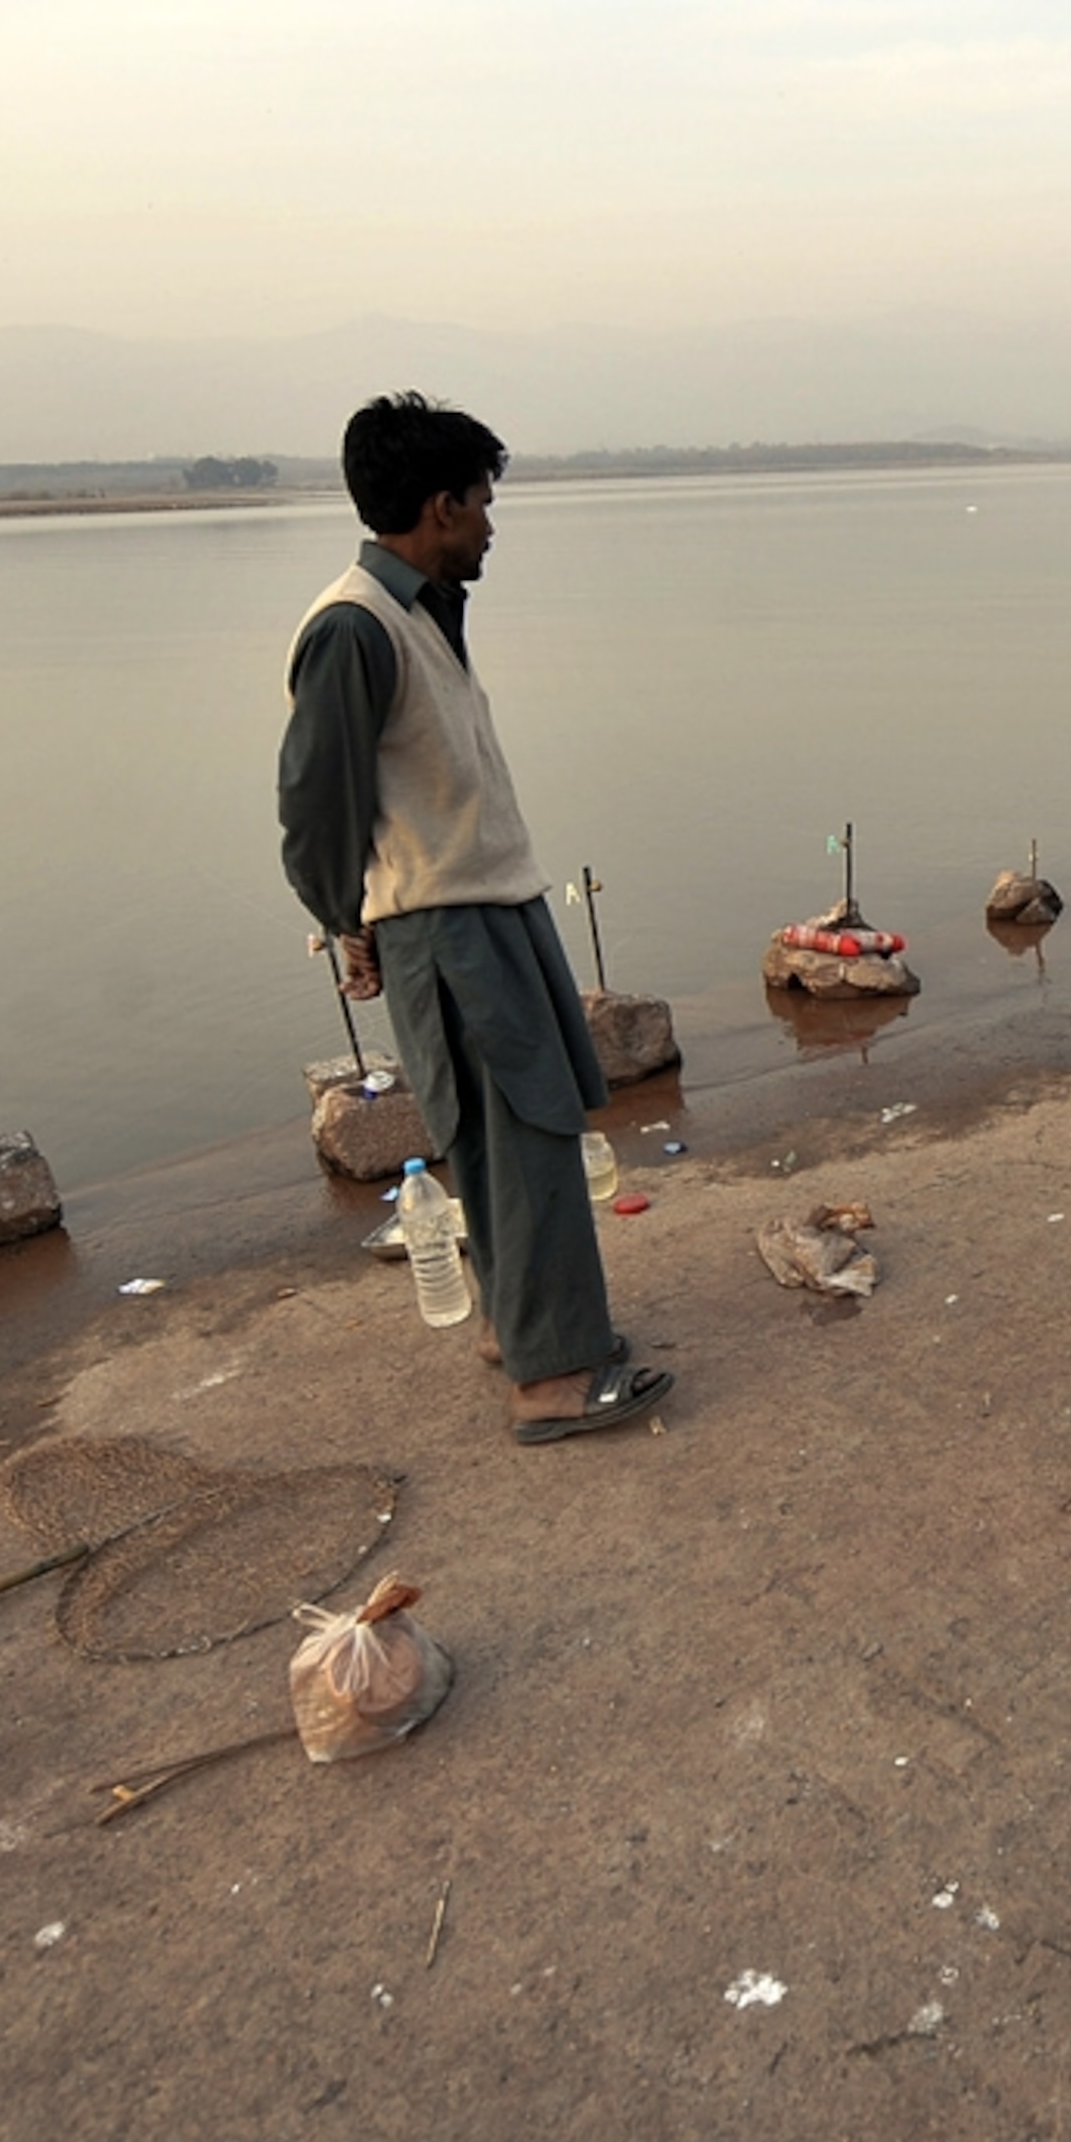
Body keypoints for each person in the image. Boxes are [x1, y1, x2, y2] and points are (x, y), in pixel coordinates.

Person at [278, 392, 671, 1443]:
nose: (492, 524)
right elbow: (314, 800)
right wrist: (342, 919)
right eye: (483, 503)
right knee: (526, 1136)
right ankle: (551, 1381)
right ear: (440, 505)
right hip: (449, 927)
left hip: (488, 908)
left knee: (511, 1136)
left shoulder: (416, 609)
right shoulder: (354, 627)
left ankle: (513, 1325)